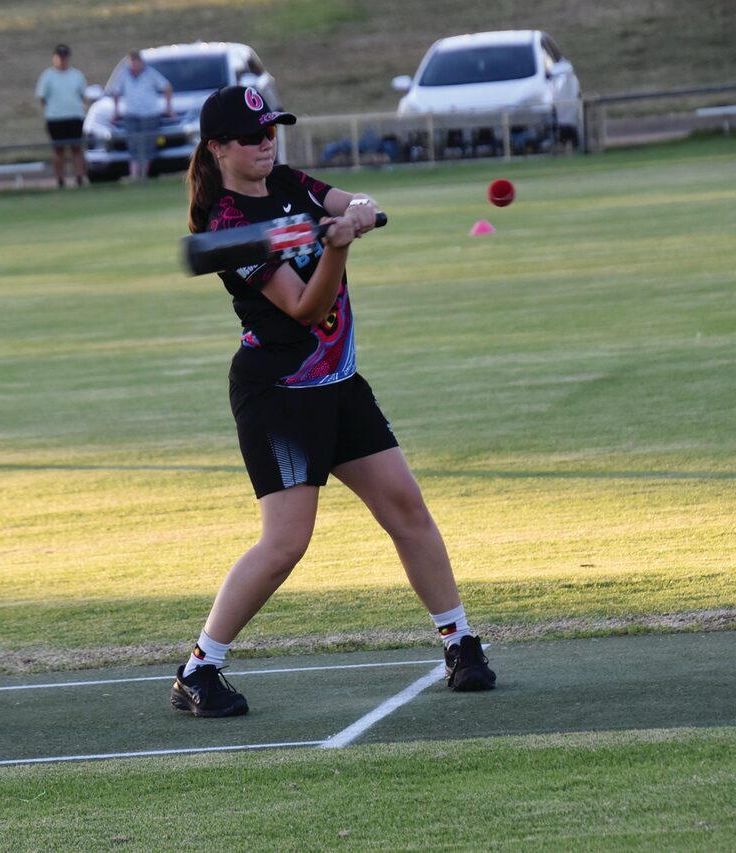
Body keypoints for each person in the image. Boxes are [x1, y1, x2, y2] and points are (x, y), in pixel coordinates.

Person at [170, 86, 497, 718]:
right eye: (249, 136)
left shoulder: (291, 181)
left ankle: (460, 643)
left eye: (271, 131)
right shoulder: (228, 227)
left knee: (405, 506)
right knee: (286, 542)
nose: (265, 143)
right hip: (279, 394)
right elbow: (305, 307)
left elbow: (353, 202)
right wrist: (340, 246)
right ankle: (198, 670)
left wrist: (356, 215)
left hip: (339, 382)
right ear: (217, 149)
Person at [109, 50, 172, 182]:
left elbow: (166, 87)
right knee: (133, 144)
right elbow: (115, 91)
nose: (133, 65)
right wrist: (116, 111)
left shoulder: (150, 73)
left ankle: (144, 175)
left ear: (140, 62)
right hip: (131, 114)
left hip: (149, 114)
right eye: (131, 62)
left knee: (148, 144)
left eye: (135, 62)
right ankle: (134, 175)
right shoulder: (124, 74)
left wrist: (168, 107)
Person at [36, 44, 89, 188]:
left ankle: (79, 177)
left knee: (76, 149)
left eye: (64, 57)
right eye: (59, 57)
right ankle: (60, 179)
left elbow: (83, 95)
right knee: (59, 150)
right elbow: (42, 97)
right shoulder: (48, 76)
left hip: (74, 117)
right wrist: (53, 109)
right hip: (55, 118)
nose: (62, 60)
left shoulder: (77, 75)